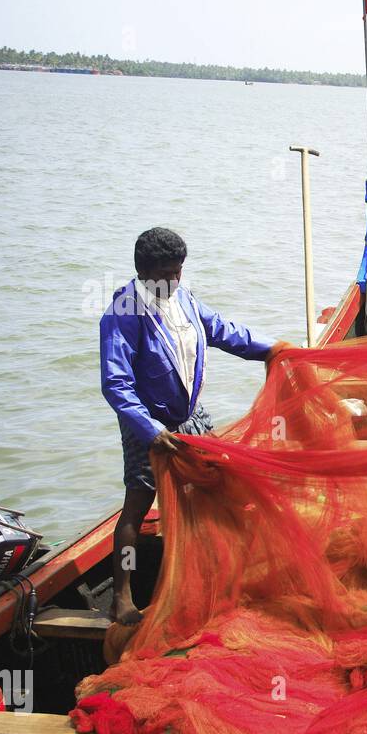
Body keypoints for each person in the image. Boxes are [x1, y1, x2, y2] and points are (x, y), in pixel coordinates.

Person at [100, 227, 291, 624]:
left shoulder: (183, 299)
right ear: (144, 272)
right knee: (137, 507)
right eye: (167, 274)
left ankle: (212, 580)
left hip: (191, 416)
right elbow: (116, 383)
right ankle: (122, 597)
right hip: (151, 426)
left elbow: (221, 330)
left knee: (216, 489)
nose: (175, 280)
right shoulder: (123, 313)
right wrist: (149, 429)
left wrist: (270, 348)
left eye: (179, 271)